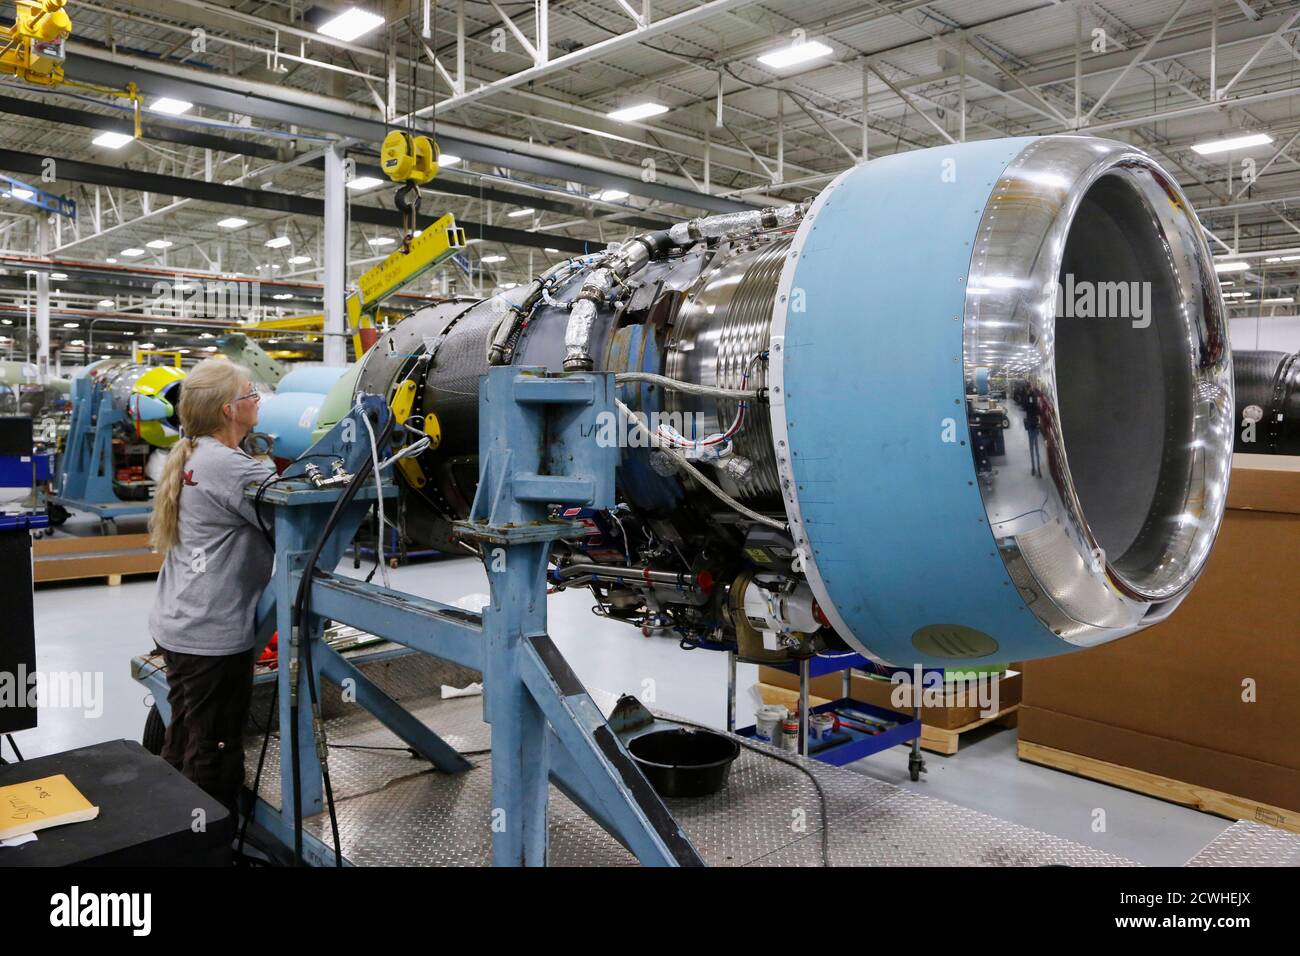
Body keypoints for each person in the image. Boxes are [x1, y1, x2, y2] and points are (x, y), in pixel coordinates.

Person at [147, 359, 274, 811]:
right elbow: (295, 521)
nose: (257, 399)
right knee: (214, 756)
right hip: (210, 635)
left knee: (183, 739)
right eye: (249, 393)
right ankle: (204, 841)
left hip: (179, 621)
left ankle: (174, 835)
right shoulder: (235, 468)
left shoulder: (194, 451)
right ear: (228, 410)